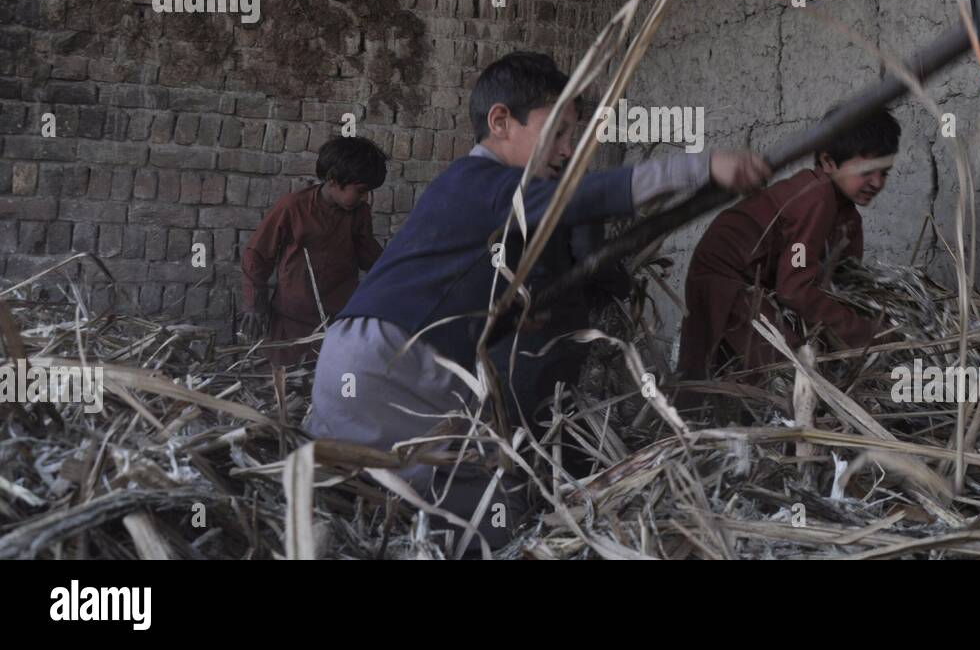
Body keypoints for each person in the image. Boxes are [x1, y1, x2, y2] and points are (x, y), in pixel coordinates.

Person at [307, 52, 769, 548]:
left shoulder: (481, 198)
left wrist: (518, 314)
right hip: (393, 366)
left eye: (574, 135)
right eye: (560, 131)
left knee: (391, 503)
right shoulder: (482, 182)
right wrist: (700, 167)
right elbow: (582, 198)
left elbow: (464, 292)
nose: (568, 149)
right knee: (490, 511)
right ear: (501, 122)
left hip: (363, 360)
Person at [677, 108, 901, 381]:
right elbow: (794, 290)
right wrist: (863, 332)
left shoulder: (848, 218)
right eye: (867, 171)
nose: (877, 183)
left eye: (885, 173)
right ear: (828, 162)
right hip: (727, 279)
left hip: (755, 286)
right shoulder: (815, 196)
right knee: (787, 372)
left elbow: (845, 286)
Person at [240, 136, 387, 368]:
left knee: (328, 383)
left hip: (338, 320)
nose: (364, 198)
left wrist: (396, 270)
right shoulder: (293, 207)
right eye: (360, 191)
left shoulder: (359, 213)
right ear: (332, 180)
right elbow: (257, 255)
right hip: (290, 320)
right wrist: (254, 303)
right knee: (287, 386)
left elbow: (369, 254)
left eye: (367, 192)